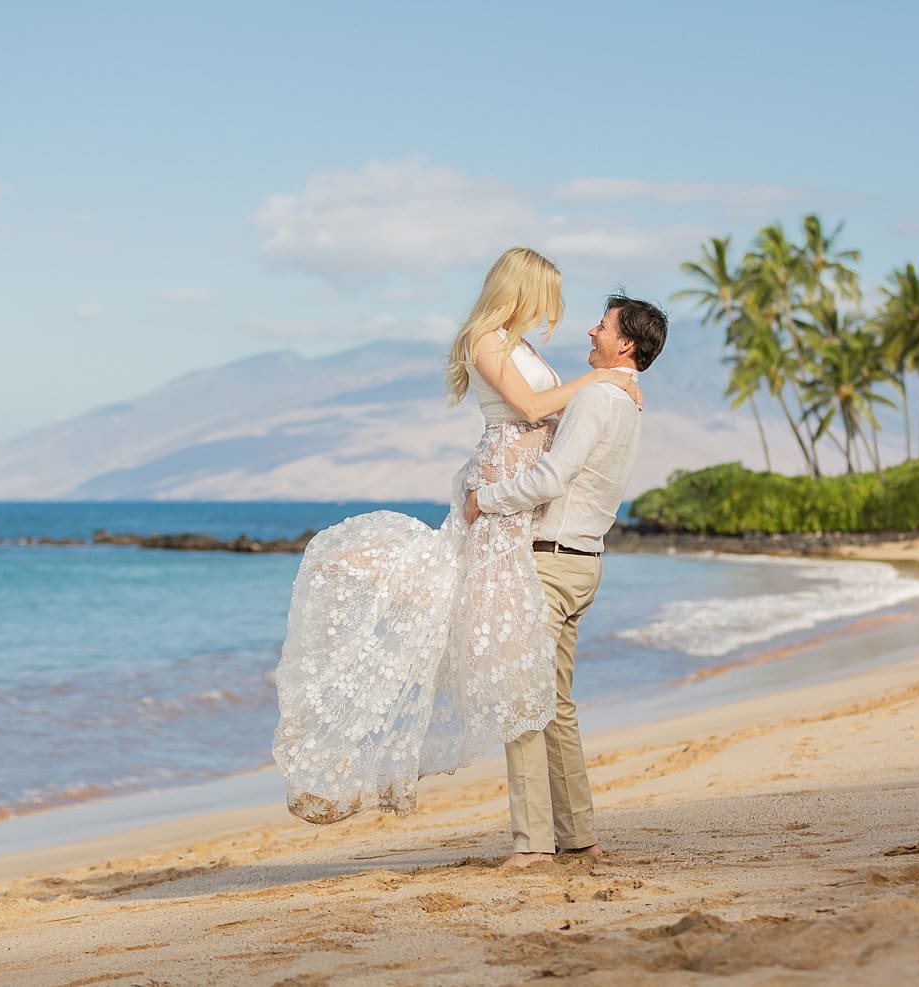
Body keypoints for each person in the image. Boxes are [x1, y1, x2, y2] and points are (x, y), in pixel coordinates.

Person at [272, 247, 641, 825]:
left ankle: (558, 832)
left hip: (524, 501)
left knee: (538, 683)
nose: (559, 308)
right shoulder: (487, 339)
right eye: (549, 292)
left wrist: (609, 389)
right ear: (521, 289)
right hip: (500, 488)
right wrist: (604, 379)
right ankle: (543, 833)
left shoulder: (522, 346)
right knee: (505, 656)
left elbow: (553, 421)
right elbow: (528, 406)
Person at [462, 293, 667, 868]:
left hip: (551, 563)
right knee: (554, 703)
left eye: (601, 327)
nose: (590, 331)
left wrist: (486, 500)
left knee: (525, 702)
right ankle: (579, 836)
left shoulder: (601, 399)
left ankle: (533, 845)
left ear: (624, 343)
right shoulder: (625, 401)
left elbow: (551, 478)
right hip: (584, 562)